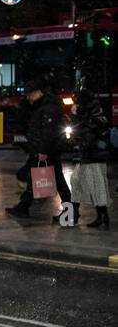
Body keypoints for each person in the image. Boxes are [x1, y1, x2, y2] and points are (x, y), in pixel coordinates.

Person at [6, 78, 71, 220]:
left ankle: (70, 213)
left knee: (58, 182)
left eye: (29, 94)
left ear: (37, 92)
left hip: (47, 151)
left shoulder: (48, 107)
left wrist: (43, 150)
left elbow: (49, 132)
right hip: (43, 149)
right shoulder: (43, 105)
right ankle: (23, 207)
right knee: (34, 178)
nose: (28, 97)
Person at [64, 90, 111, 229]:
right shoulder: (88, 111)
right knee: (77, 181)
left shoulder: (94, 112)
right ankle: (74, 214)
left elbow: (90, 129)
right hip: (87, 154)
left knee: (95, 185)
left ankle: (101, 217)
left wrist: (78, 116)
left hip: (93, 154)